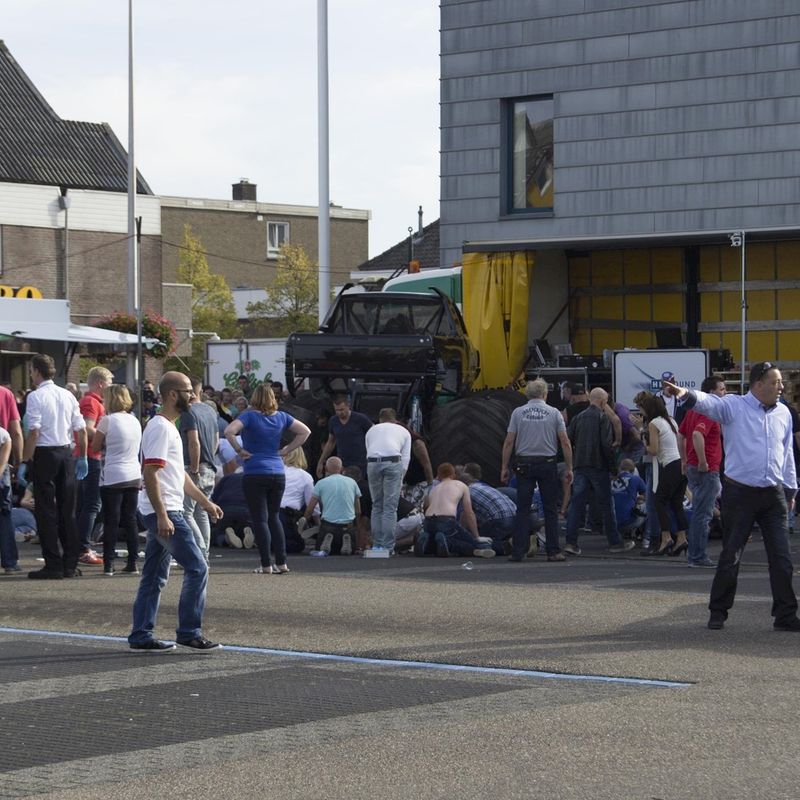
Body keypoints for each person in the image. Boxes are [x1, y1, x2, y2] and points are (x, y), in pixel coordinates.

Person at [665, 363, 800, 631]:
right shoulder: (734, 406)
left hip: (773, 495)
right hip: (740, 493)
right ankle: (718, 611)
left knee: (782, 559)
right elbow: (707, 403)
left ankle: (785, 615)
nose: (781, 387)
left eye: (781, 382)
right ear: (759, 384)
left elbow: (786, 455)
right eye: (776, 382)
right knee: (731, 556)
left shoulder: (783, 412)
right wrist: (683, 393)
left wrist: (791, 489)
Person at [128, 371, 225, 652]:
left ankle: (141, 635)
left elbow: (178, 475)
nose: (193, 396)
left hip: (166, 509)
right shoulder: (160, 427)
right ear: (172, 394)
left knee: (154, 576)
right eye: (187, 391)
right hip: (167, 511)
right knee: (197, 567)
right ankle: (188, 631)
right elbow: (150, 472)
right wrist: (162, 515)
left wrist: (205, 502)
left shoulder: (168, 425)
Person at [224, 384, 310, 574]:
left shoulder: (248, 416)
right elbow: (305, 431)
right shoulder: (281, 417)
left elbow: (229, 431)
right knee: (274, 517)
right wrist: (287, 450)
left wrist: (239, 450)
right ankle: (282, 562)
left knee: (259, 519)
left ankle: (265, 564)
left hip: (254, 471)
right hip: (277, 472)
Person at [23, 354, 88, 580]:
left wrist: (25, 460)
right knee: (68, 510)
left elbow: (34, 431)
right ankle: (70, 563)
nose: (31, 374)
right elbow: (81, 429)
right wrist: (83, 456)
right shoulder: (67, 394)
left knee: (46, 510)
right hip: (66, 453)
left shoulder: (35, 396)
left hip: (45, 453)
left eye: (31, 370)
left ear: (37, 372)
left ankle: (53, 563)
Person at [502, 378, 572, 562]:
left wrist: (504, 466)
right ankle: (553, 551)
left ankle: (518, 551)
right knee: (550, 508)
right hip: (547, 463)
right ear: (545, 394)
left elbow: (509, 441)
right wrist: (570, 467)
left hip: (524, 463)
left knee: (523, 509)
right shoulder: (554, 412)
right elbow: (564, 441)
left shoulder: (518, 413)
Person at [564, 388, 635, 555]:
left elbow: (568, 439)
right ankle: (615, 542)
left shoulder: (578, 418)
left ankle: (570, 542)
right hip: (598, 466)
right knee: (607, 505)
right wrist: (613, 467)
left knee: (577, 504)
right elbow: (606, 445)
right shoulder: (603, 418)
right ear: (603, 402)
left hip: (580, 466)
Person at [92, 384, 142, 576]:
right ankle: (132, 563)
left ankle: (109, 564)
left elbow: (96, 446)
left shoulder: (107, 421)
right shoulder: (135, 421)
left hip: (113, 474)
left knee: (111, 520)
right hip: (133, 473)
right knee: (130, 519)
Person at [678, 375, 726, 567]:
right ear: (712, 392)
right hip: (706, 468)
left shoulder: (692, 411)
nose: (724, 393)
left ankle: (695, 555)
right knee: (703, 514)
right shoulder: (709, 412)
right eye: (722, 389)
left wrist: (684, 459)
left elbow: (681, 435)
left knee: (699, 510)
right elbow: (697, 434)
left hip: (693, 466)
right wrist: (703, 461)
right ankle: (698, 556)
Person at [637, 393, 688, 557]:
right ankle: (682, 538)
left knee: (659, 501)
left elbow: (653, 450)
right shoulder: (671, 420)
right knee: (677, 503)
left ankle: (665, 538)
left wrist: (643, 438)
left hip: (669, 464)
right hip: (681, 464)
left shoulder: (654, 423)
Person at [75, 366, 113, 566]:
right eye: (108, 383)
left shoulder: (91, 401)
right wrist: (108, 437)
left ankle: (80, 545)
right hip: (90, 456)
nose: (110, 387)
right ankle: (82, 548)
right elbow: (87, 428)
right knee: (92, 504)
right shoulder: (91, 402)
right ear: (100, 383)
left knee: (86, 505)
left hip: (90, 456)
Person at [416, 462, 495, 558]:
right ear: (453, 474)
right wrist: (476, 536)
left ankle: (427, 540)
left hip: (428, 522)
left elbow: (426, 507)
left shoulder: (433, 489)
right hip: (446, 520)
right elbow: (469, 512)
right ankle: (447, 542)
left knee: (435, 540)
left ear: (439, 476)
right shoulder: (461, 485)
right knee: (475, 543)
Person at [180, 376, 220, 562]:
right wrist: (209, 458)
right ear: (200, 391)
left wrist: (194, 468)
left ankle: (200, 553)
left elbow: (193, 442)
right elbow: (216, 440)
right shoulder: (210, 410)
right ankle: (205, 554)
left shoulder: (188, 412)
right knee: (202, 511)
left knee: (187, 512)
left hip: (193, 466)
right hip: (210, 465)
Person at [364, 407, 411, 552]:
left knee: (377, 505)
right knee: (390, 507)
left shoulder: (371, 430)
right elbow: (405, 457)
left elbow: (368, 449)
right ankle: (388, 546)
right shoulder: (403, 431)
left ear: (379, 419)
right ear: (395, 420)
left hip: (372, 463)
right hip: (392, 462)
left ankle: (377, 544)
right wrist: (401, 477)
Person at [302, 456, 361, 555]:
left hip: (328, 526)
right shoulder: (352, 482)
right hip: (348, 525)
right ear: (342, 469)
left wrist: (304, 520)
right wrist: (357, 528)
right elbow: (358, 511)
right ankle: (347, 537)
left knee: (320, 546)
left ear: (326, 469)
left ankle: (327, 539)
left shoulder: (321, 483)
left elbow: (310, 509)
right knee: (350, 540)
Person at [460, 462, 516, 555]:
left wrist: (462, 532)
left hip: (499, 519)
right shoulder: (485, 486)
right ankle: (520, 542)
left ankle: (505, 546)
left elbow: (467, 514)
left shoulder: (467, 490)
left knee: (477, 541)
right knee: (496, 532)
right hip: (514, 517)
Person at [316, 395, 372, 478]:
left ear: (348, 406)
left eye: (342, 409)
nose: (339, 413)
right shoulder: (333, 421)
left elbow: (373, 435)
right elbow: (331, 442)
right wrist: (321, 461)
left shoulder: (361, 419)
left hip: (361, 462)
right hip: (343, 462)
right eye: (336, 410)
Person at [0, 384, 22, 574]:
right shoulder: (5, 394)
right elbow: (15, 432)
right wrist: (18, 460)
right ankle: (9, 561)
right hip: (2, 459)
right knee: (4, 513)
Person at [280, 447, 316, 553]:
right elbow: (312, 502)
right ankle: (299, 527)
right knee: (297, 546)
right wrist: (318, 522)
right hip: (288, 515)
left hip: (271, 511)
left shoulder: (276, 472)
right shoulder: (306, 476)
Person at [611, 459, 647, 540]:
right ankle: (646, 538)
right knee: (649, 506)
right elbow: (647, 496)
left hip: (611, 523)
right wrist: (638, 499)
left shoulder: (611, 480)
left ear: (620, 468)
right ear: (634, 470)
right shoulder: (636, 479)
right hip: (628, 522)